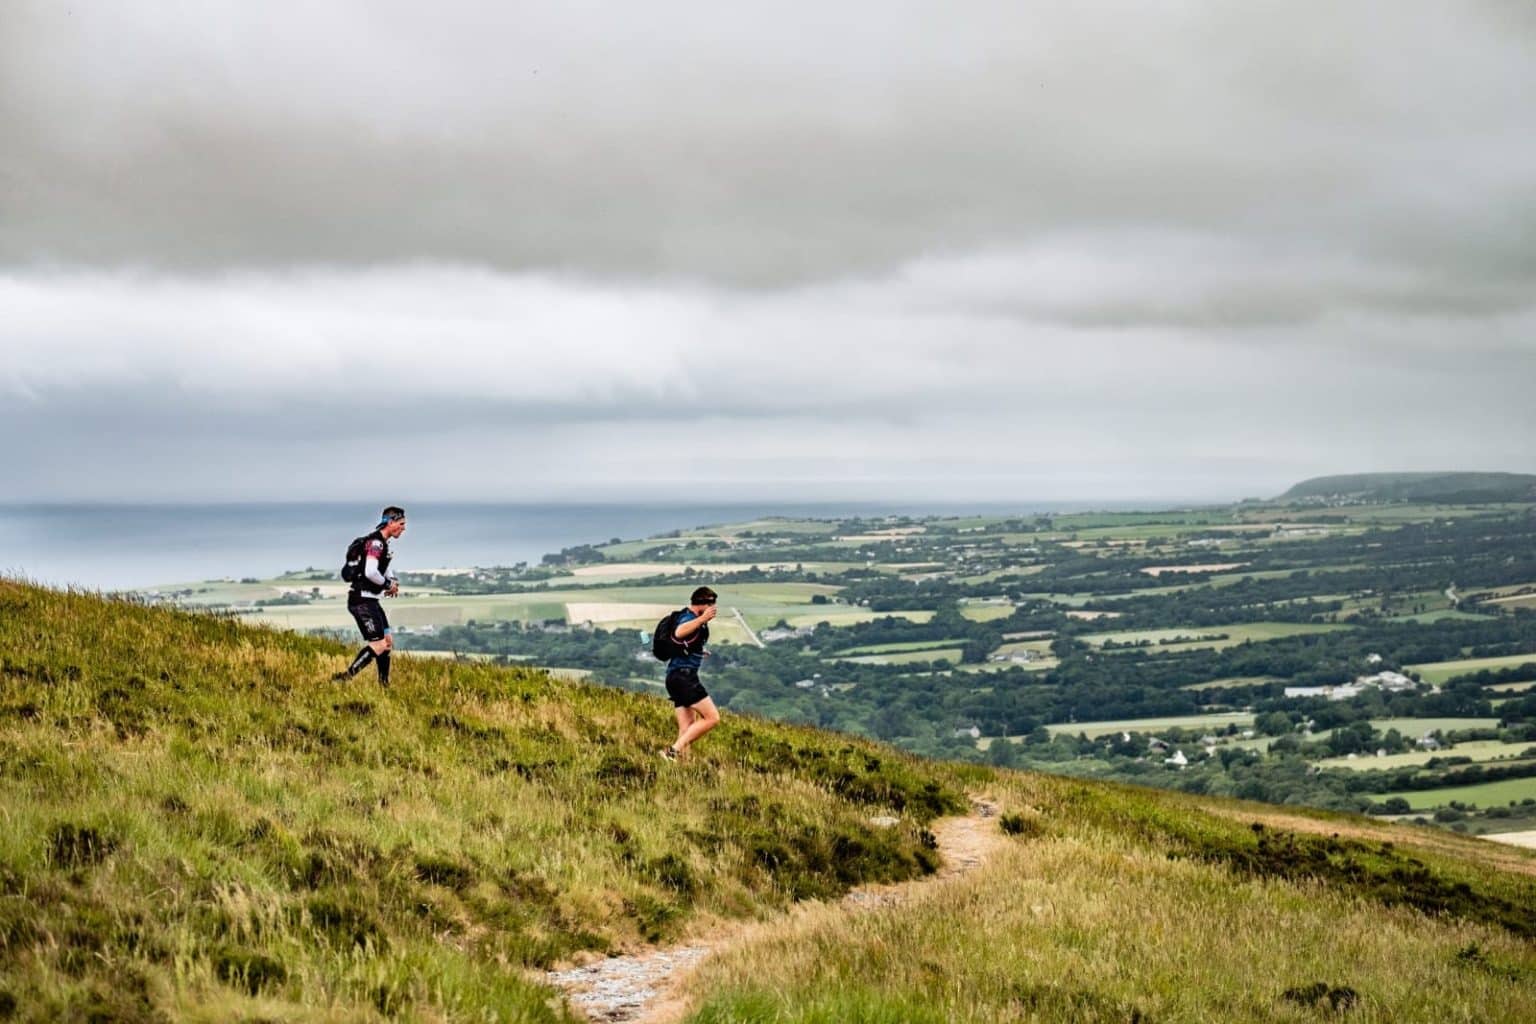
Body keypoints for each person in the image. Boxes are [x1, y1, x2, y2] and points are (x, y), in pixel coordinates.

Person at [333, 506, 407, 686]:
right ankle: (346, 677)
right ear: (390, 522)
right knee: (379, 644)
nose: (404, 528)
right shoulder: (376, 543)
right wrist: (388, 584)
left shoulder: (382, 543)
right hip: (362, 600)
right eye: (401, 523)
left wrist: (392, 581)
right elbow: (370, 572)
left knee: (387, 642)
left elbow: (383, 568)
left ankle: (384, 685)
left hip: (370, 599)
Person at [661, 586, 722, 761]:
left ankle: (681, 769)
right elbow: (679, 632)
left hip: (676, 677)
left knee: (687, 727)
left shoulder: (692, 618)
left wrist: (698, 651)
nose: (713, 610)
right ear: (702, 603)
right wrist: (702, 618)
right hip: (684, 678)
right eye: (711, 606)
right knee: (712, 718)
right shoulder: (689, 617)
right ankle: (671, 753)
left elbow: (685, 642)